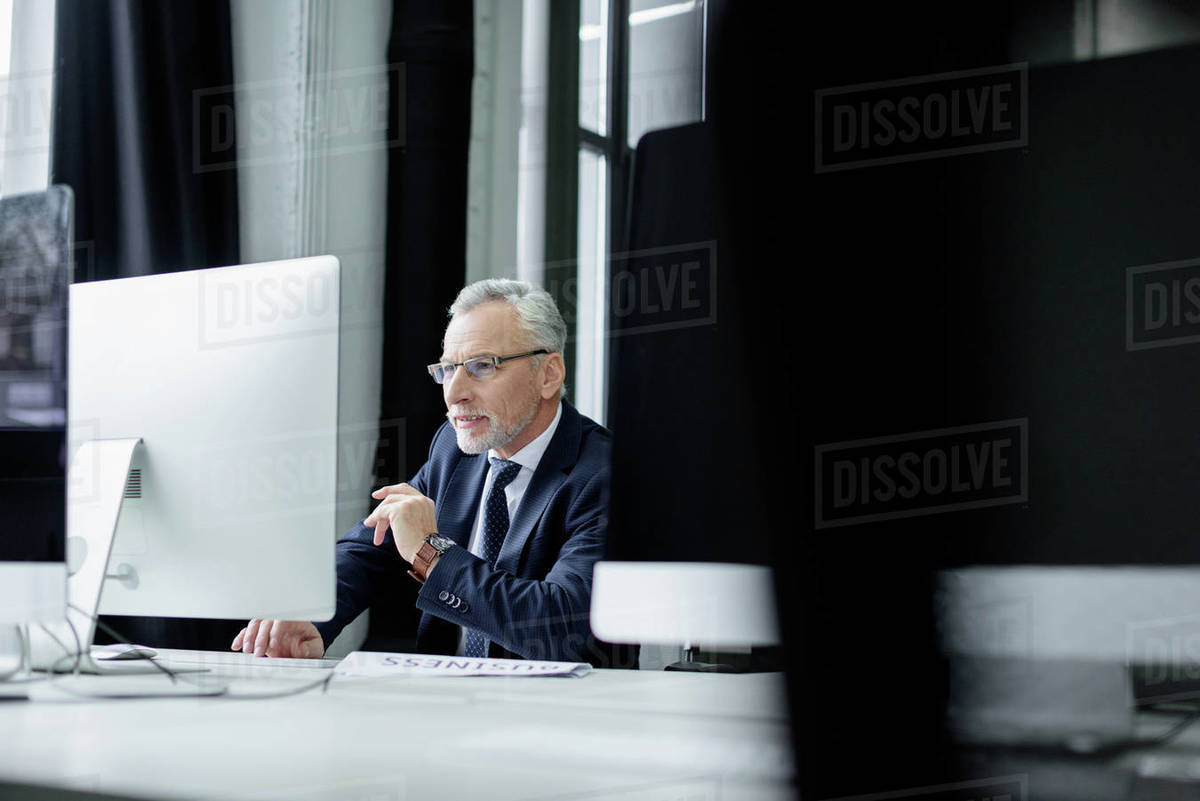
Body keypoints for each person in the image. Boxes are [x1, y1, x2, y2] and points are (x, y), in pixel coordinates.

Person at [231, 279, 626, 665]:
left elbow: (564, 629)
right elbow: (374, 545)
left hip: (562, 716)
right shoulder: (454, 447)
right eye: (448, 370)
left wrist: (432, 554)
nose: (454, 393)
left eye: (482, 366)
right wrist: (311, 613)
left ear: (549, 374)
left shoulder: (608, 475)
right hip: (442, 704)